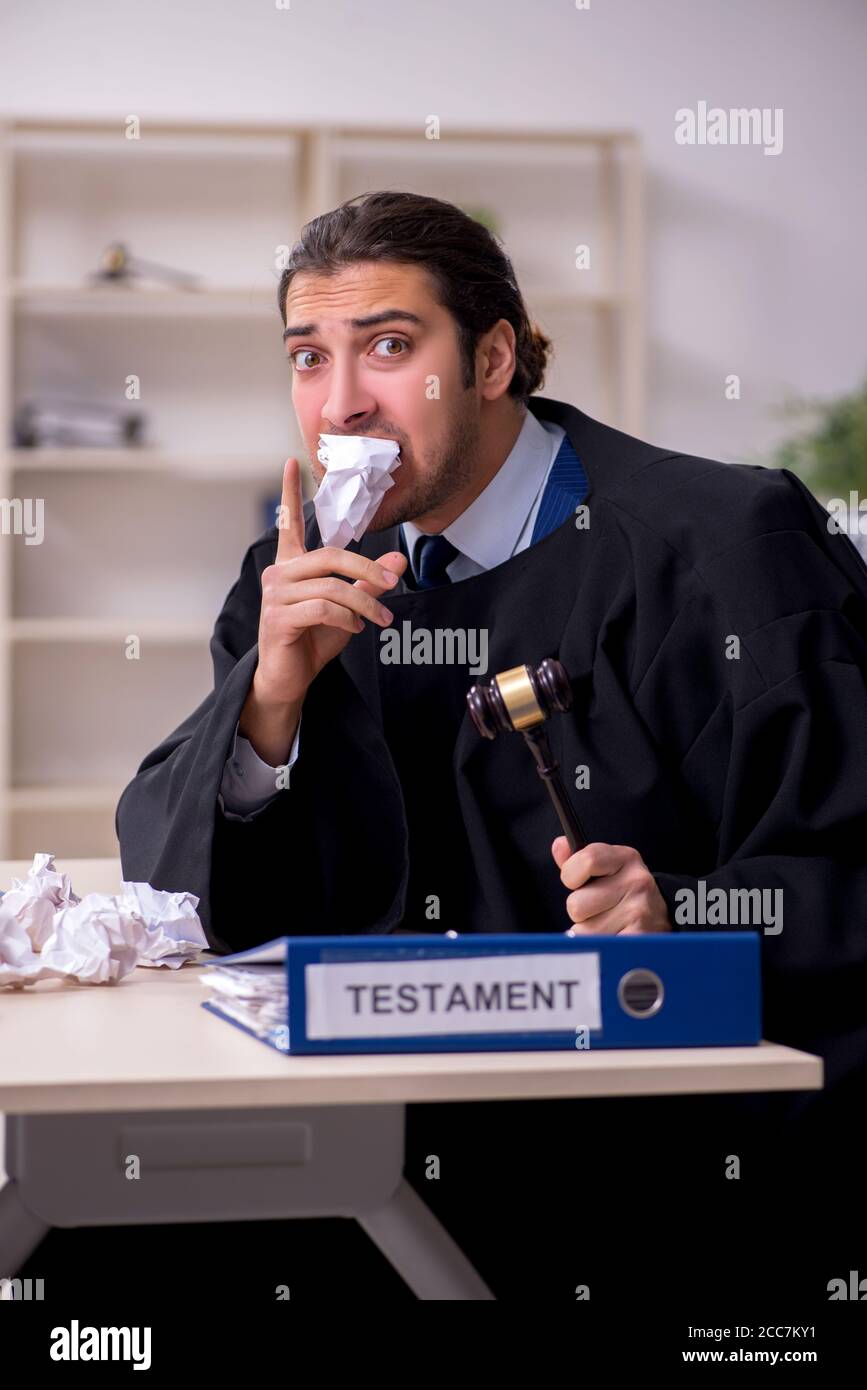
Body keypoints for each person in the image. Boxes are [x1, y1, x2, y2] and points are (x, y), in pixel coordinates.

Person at [116, 190, 867, 1302]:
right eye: (308, 357)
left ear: (495, 357)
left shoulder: (724, 548)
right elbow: (186, 896)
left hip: (647, 1162)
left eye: (387, 347)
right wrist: (269, 703)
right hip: (373, 1147)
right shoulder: (290, 582)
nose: (343, 404)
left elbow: (847, 867)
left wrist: (687, 915)